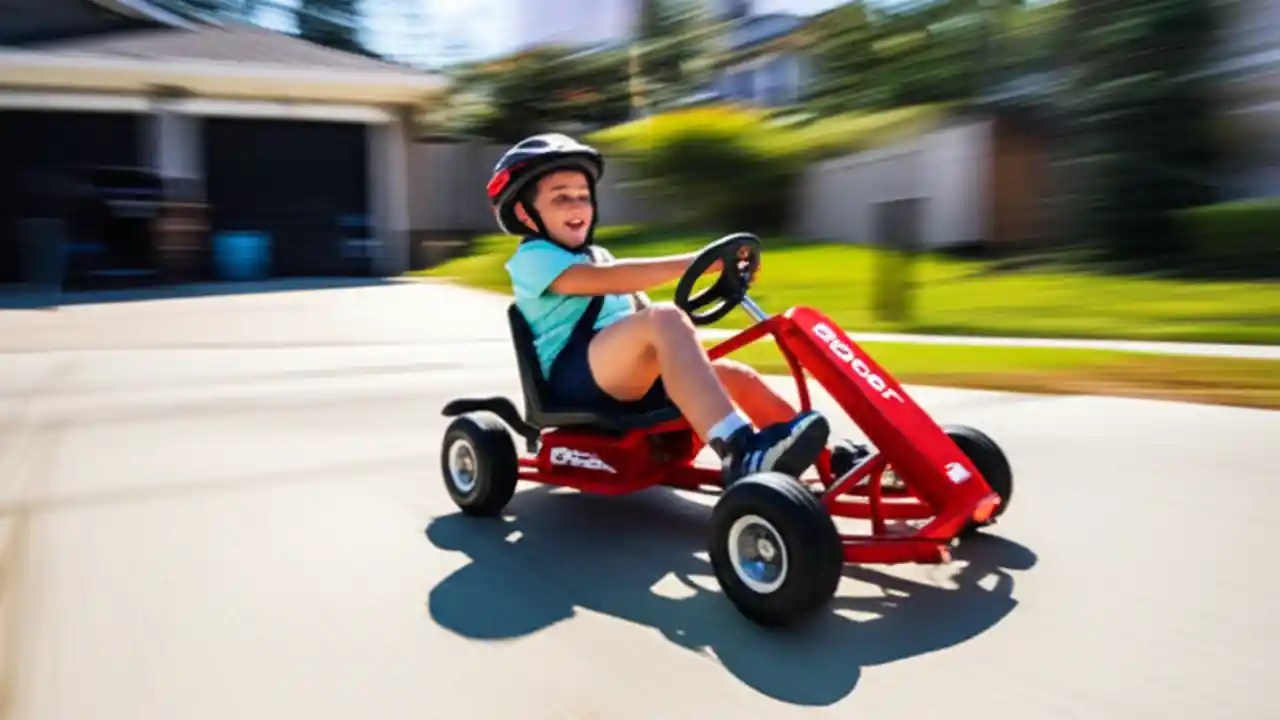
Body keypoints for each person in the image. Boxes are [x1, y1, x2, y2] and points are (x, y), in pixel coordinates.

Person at [488, 133, 866, 484]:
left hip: (620, 372)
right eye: (560, 198)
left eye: (583, 196)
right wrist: (701, 263)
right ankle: (739, 451)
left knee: (733, 374)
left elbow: (637, 308)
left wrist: (687, 331)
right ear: (524, 214)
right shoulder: (533, 258)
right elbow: (607, 280)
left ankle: (829, 463)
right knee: (663, 318)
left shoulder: (598, 255)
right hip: (573, 379)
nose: (577, 206)